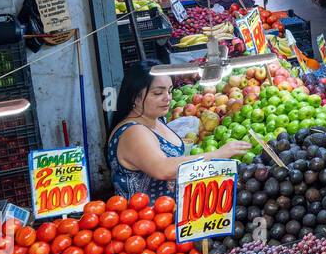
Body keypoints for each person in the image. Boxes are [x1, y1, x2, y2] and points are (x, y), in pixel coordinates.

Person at [106, 66, 250, 198]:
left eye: (169, 91)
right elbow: (163, 168)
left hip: (174, 214)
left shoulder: (156, 120)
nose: (167, 98)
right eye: (158, 93)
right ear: (135, 97)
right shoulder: (133, 132)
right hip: (148, 221)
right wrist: (216, 155)